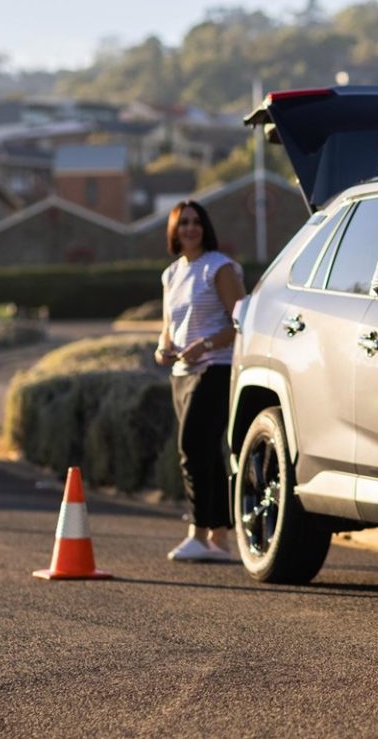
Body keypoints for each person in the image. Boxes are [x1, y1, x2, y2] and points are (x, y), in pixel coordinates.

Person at [155, 199, 245, 563]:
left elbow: (240, 321)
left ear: (205, 227)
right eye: (183, 223)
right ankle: (218, 541)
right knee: (206, 453)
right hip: (182, 373)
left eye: (196, 222)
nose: (190, 228)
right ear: (174, 231)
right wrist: (163, 350)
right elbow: (167, 328)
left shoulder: (219, 267)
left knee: (191, 447)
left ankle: (197, 530)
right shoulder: (171, 274)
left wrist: (205, 344)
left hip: (216, 368)